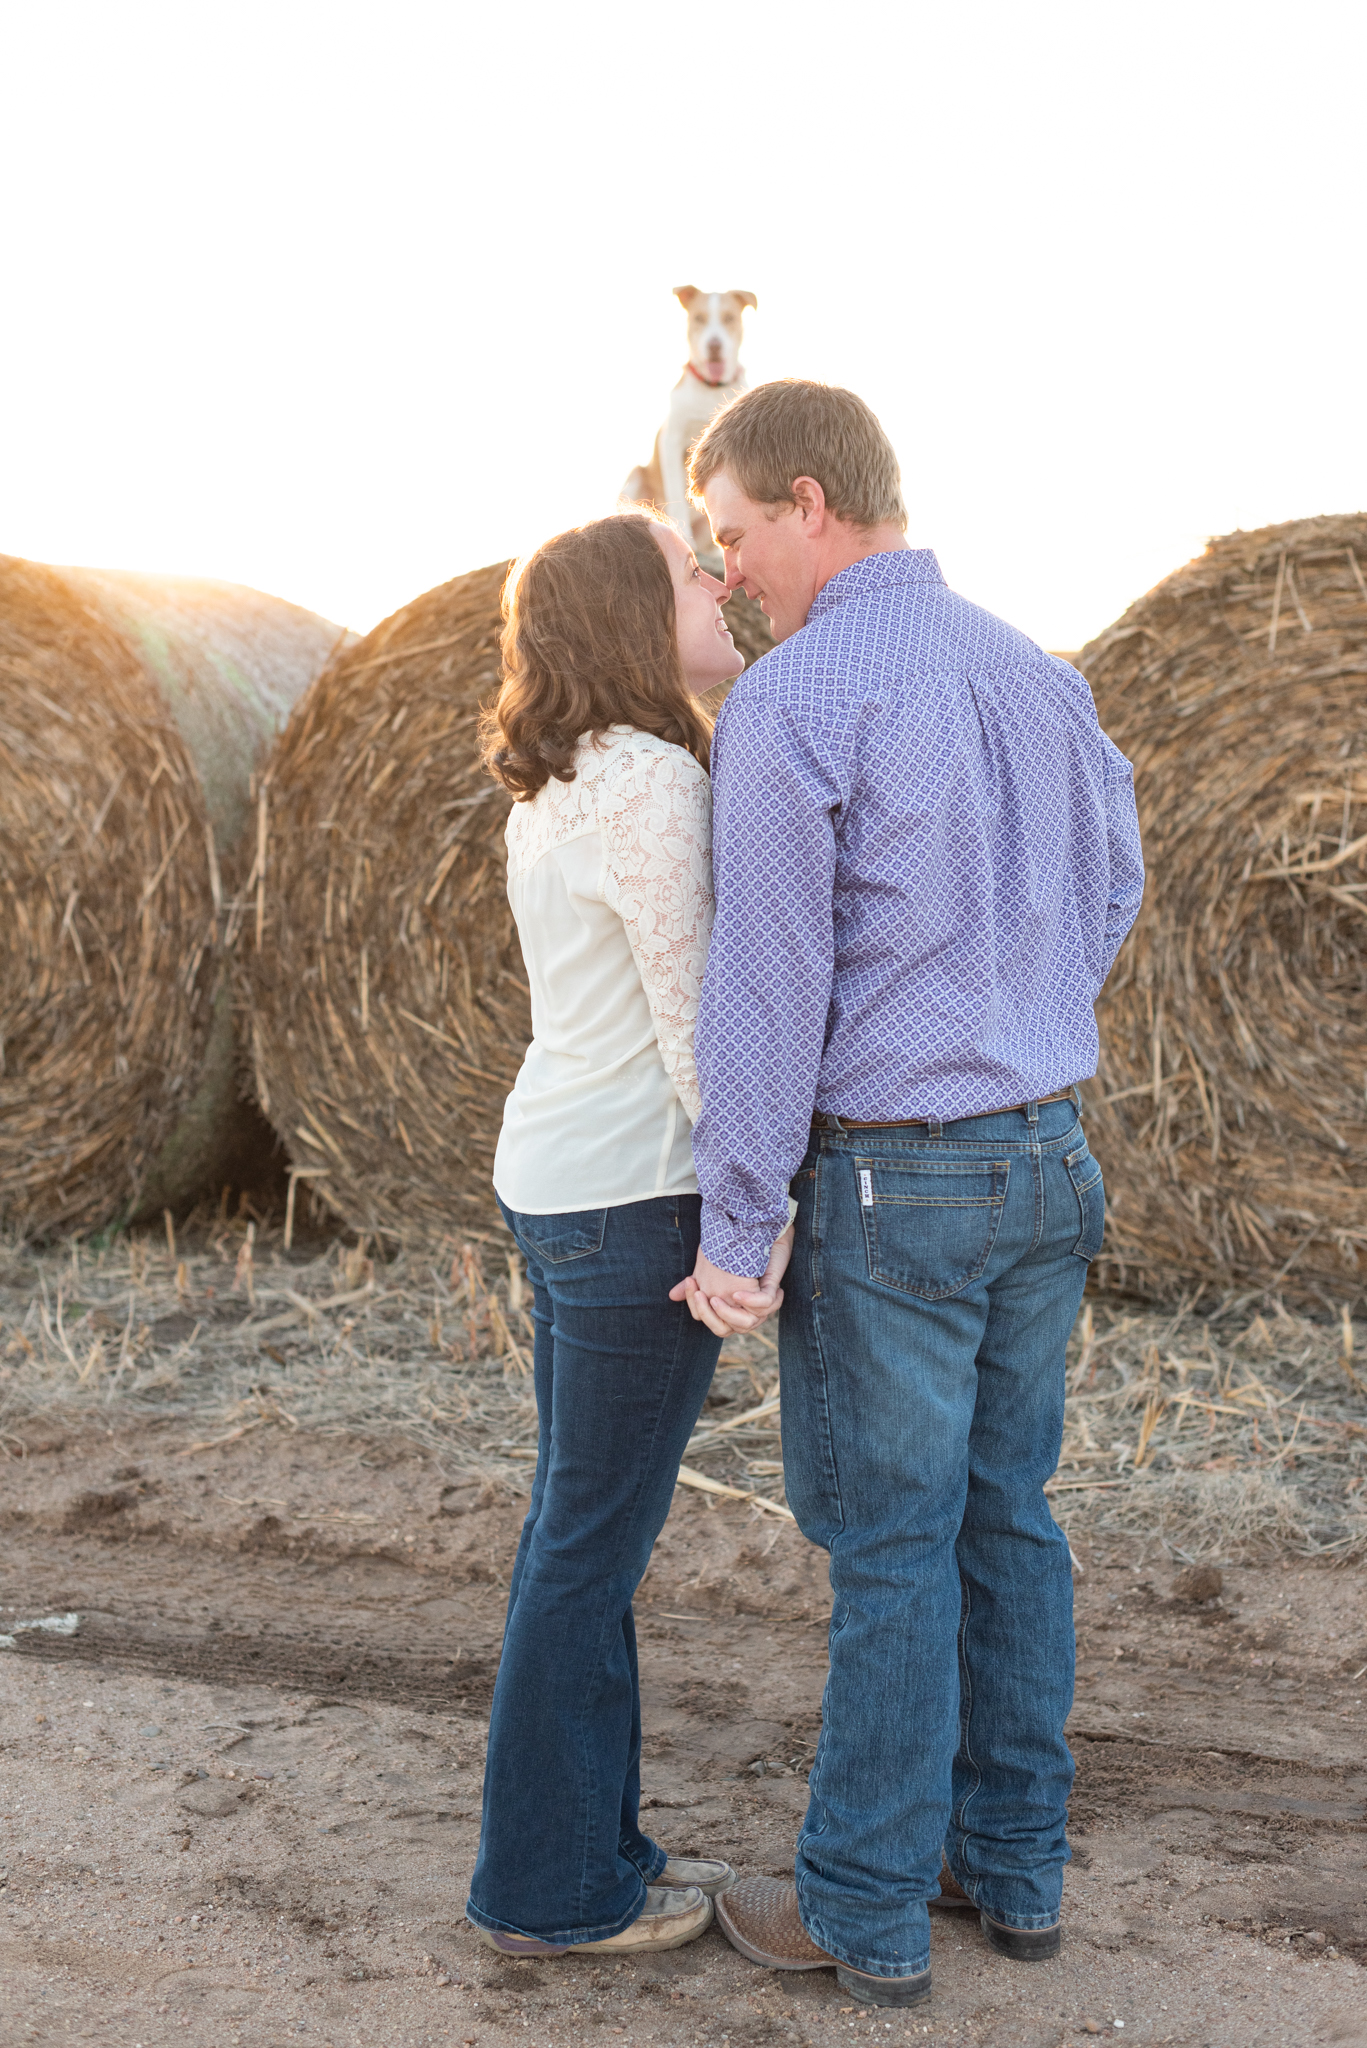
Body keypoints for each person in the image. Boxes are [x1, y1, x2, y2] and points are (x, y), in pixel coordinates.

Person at [671, 380, 1145, 2010]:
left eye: (732, 535)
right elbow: (1118, 883)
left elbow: (768, 985)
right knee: (1008, 1520)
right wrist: (1015, 1013)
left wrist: (740, 1225)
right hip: (1047, 1155)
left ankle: (861, 1909)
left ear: (810, 502)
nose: (726, 570)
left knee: (892, 1552)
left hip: (893, 1184)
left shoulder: (800, 701)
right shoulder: (1041, 674)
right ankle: (1010, 1873)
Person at [465, 511, 792, 1959]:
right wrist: (756, 1215)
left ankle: (597, 1853)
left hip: (558, 1180)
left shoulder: (564, 782)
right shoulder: (656, 783)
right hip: (625, 1198)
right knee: (587, 1552)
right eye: (684, 570)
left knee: (573, 1538)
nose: (718, 579)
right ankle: (549, 1890)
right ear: (623, 615)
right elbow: (695, 1032)